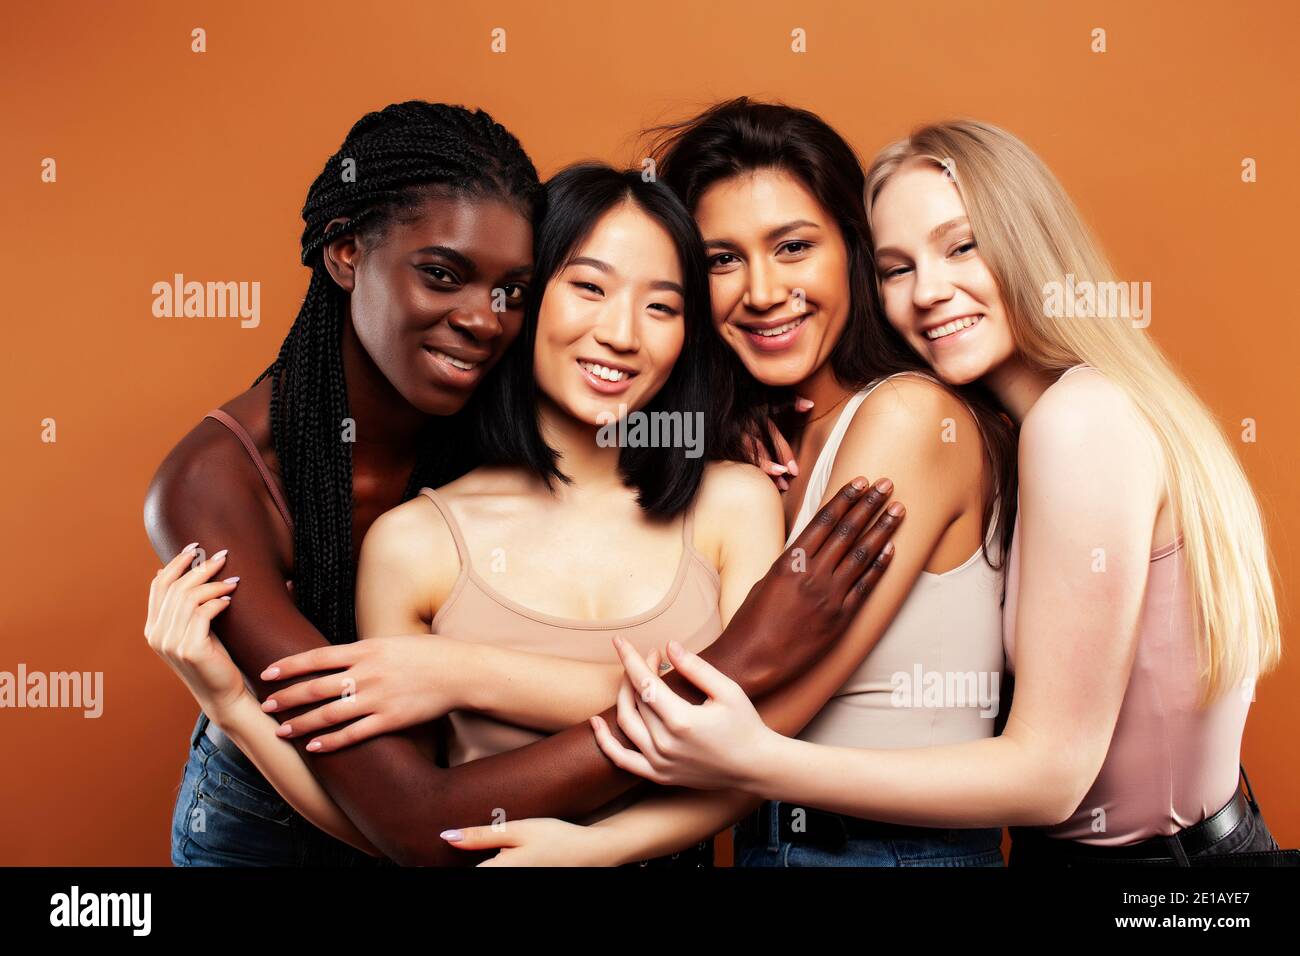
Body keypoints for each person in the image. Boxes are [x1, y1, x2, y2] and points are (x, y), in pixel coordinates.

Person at [144, 105, 902, 866]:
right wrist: (232, 703)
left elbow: (747, 752)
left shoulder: (732, 495)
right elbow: (409, 820)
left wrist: (463, 679)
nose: (623, 332)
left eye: (663, 305)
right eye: (588, 289)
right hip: (275, 813)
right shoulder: (351, 518)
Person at [584, 118, 1287, 866]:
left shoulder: (1077, 422)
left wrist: (754, 760)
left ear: (1029, 245)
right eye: (896, 269)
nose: (929, 293)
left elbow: (1049, 776)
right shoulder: (1032, 426)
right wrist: (735, 422)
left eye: (962, 247)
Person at [440, 99, 1020, 867]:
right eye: (721, 260)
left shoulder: (910, 419)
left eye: (792, 247)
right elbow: (600, 434)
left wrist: (594, 842)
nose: (762, 291)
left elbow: (759, 708)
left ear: (851, 247)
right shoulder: (767, 439)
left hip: (887, 854)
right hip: (770, 842)